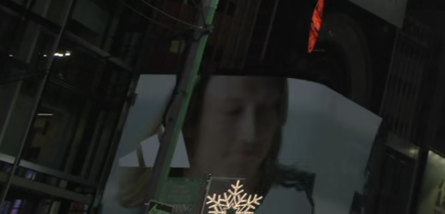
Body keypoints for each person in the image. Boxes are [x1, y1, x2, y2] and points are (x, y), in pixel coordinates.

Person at [116, 74, 315, 211]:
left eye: (266, 109)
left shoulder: (295, 198)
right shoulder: (155, 201)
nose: (251, 134)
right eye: (232, 111)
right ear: (189, 121)